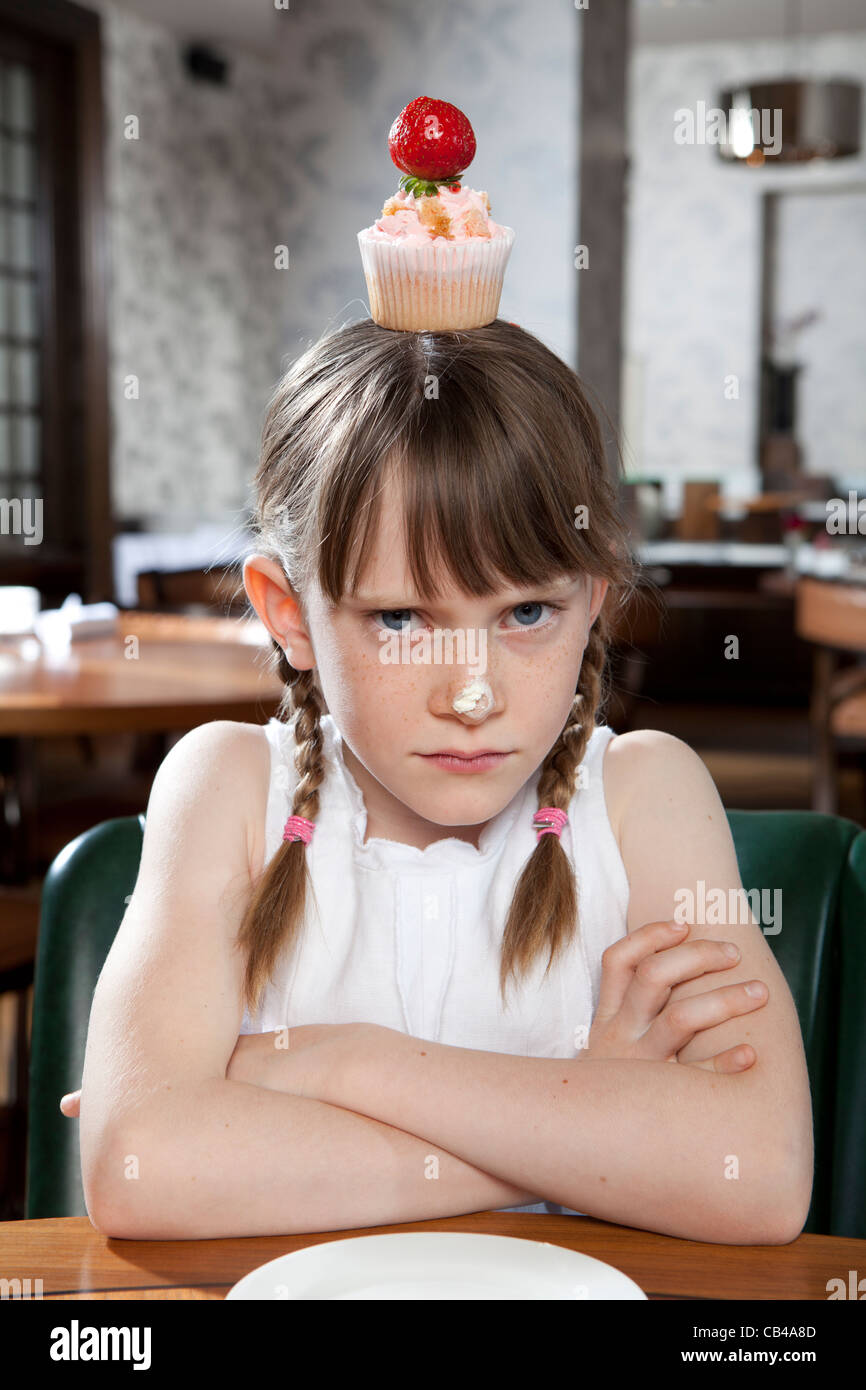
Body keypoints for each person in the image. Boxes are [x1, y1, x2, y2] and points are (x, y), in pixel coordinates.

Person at [67, 318, 813, 1243]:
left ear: (595, 601)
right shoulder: (224, 787)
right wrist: (590, 1135)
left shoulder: (646, 795)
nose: (472, 692)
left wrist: (348, 1065)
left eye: (528, 611)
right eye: (402, 619)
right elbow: (144, 1168)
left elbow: (760, 1176)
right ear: (289, 613)